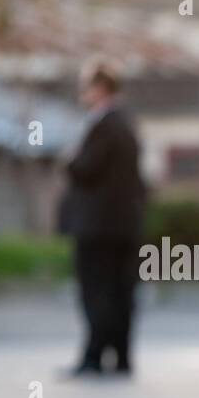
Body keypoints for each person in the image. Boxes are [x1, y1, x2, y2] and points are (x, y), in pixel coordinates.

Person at [58, 57, 146, 377]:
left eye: (86, 86)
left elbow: (85, 169)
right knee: (120, 292)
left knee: (97, 292)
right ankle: (121, 357)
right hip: (124, 225)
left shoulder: (102, 125)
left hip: (98, 228)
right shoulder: (127, 123)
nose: (82, 93)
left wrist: (69, 159)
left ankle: (94, 357)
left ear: (100, 88)